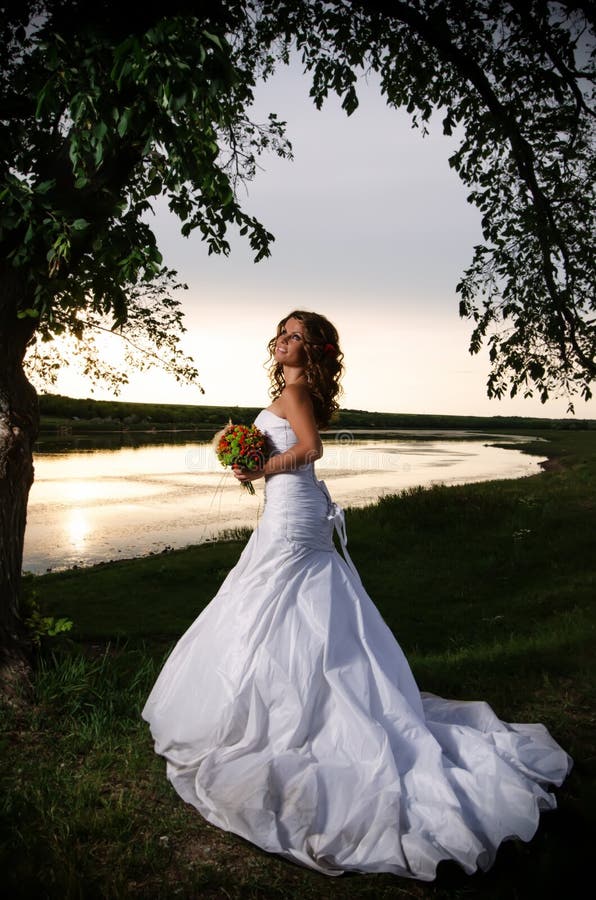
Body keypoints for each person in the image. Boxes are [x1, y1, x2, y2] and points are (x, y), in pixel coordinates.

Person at [142, 310, 572, 880]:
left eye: (297, 335)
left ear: (314, 351)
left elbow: (311, 449)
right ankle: (292, 697)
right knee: (280, 603)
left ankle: (306, 711)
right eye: (282, 332)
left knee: (283, 598)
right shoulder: (288, 391)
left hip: (294, 513)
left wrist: (262, 465)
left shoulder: (296, 393)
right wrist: (253, 466)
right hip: (290, 507)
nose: (284, 340)